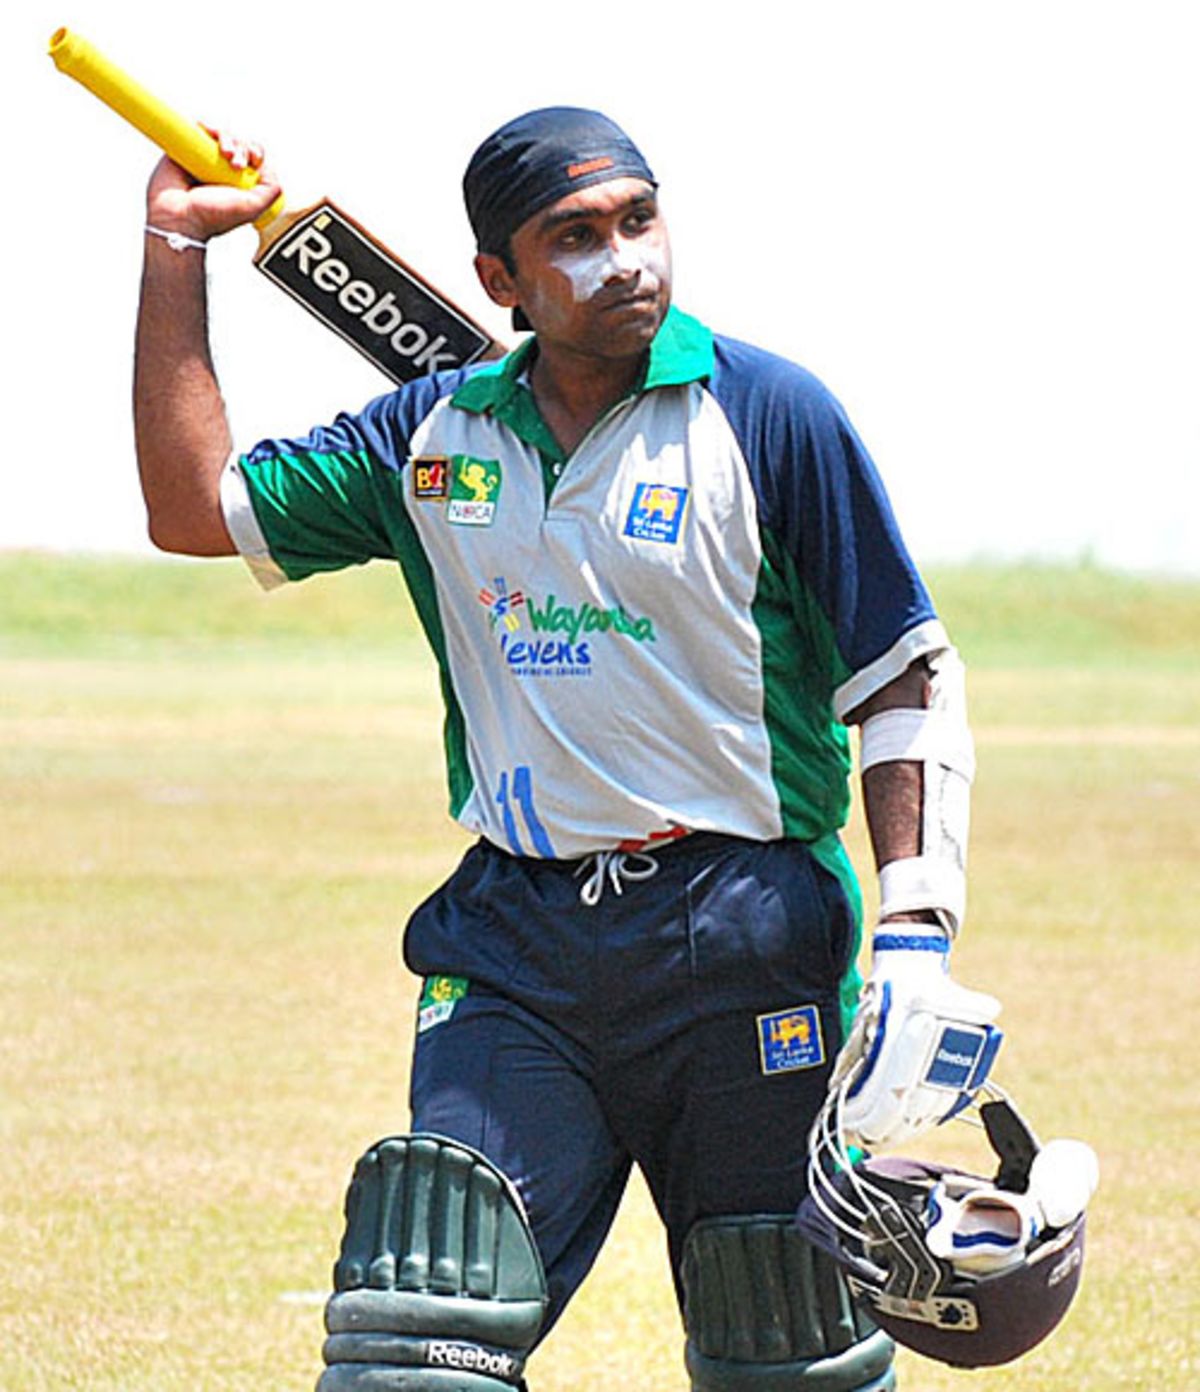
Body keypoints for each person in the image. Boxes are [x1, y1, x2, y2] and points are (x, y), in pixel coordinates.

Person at [134, 107, 987, 1392]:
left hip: (745, 931)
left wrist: (919, 935)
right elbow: (196, 513)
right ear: (499, 282)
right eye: (575, 238)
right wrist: (172, 251)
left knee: (785, 1349)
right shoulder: (426, 437)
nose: (625, 260)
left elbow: (902, 674)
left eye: (639, 221)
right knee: (415, 1333)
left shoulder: (770, 415)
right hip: (516, 941)